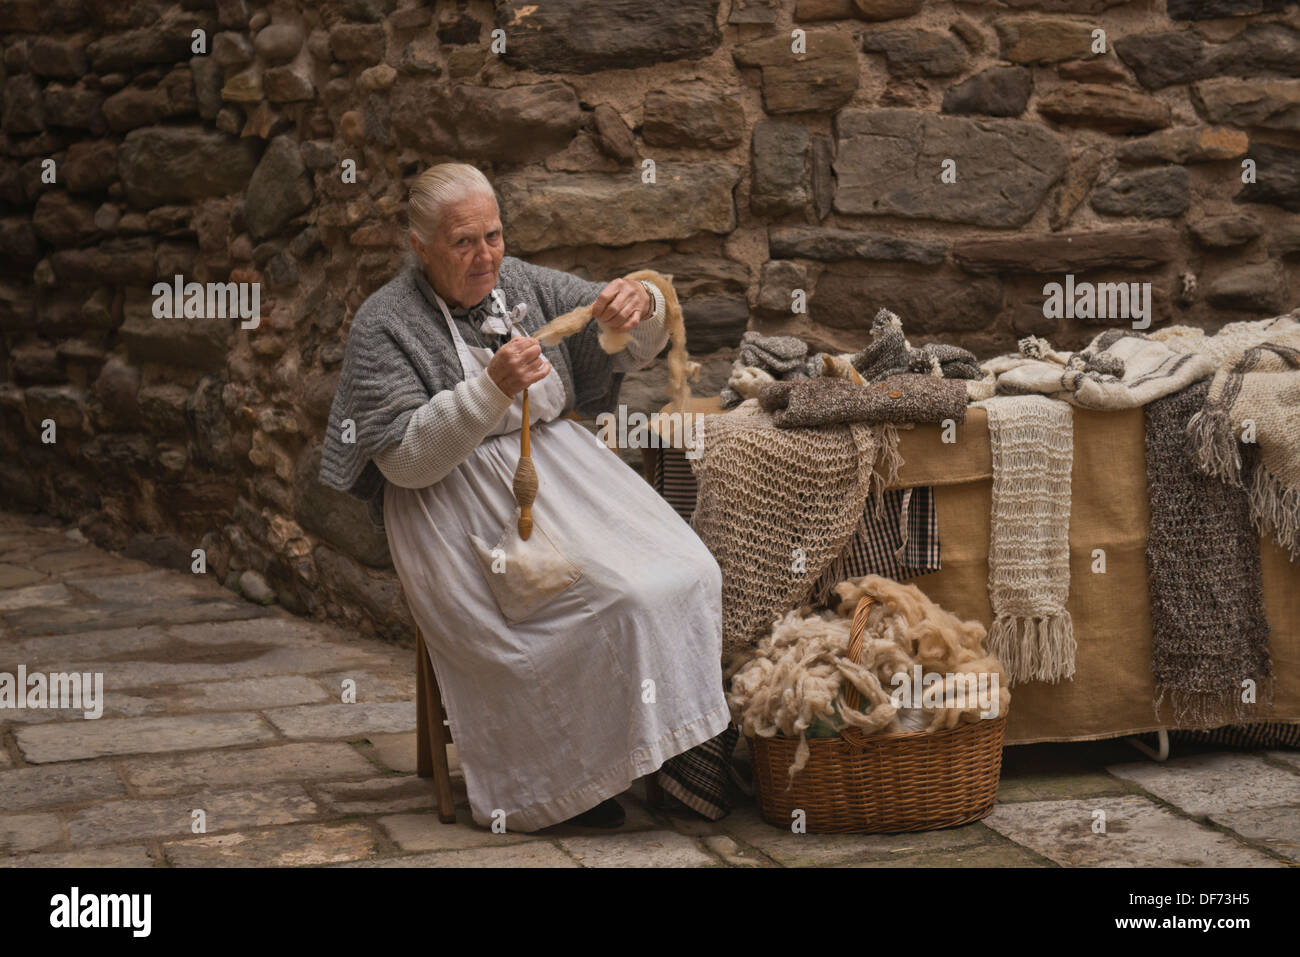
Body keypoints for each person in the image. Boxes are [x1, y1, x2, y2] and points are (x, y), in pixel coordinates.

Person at [318, 163, 730, 831]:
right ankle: (561, 784)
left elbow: (626, 337)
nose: (485, 257)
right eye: (463, 243)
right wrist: (490, 391)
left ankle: (679, 761)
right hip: (455, 508)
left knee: (691, 571)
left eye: (493, 235)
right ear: (419, 246)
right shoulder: (383, 323)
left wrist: (643, 305)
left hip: (564, 475)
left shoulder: (523, 285)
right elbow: (405, 459)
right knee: (611, 602)